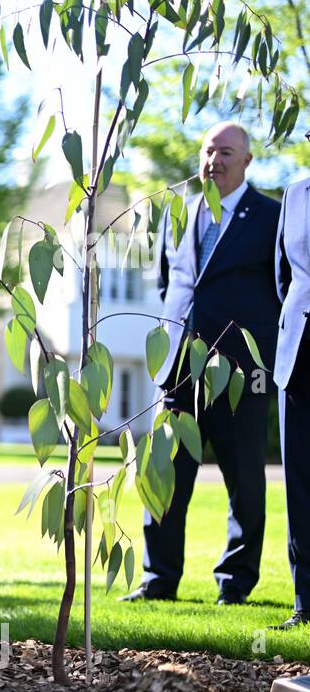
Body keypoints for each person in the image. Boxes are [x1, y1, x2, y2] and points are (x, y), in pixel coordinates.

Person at [121, 122, 281, 605]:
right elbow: (175, 287)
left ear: (247, 161)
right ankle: (158, 579)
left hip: (240, 375)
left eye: (226, 152)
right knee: (163, 477)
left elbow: (282, 289)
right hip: (179, 370)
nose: (214, 160)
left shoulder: (272, 216)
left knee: (245, 484)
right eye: (208, 151)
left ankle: (234, 584)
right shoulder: (181, 215)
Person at [271, 162, 310, 629]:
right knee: (299, 484)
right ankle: (305, 602)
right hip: (297, 353)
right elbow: (283, 276)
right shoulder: (295, 190)